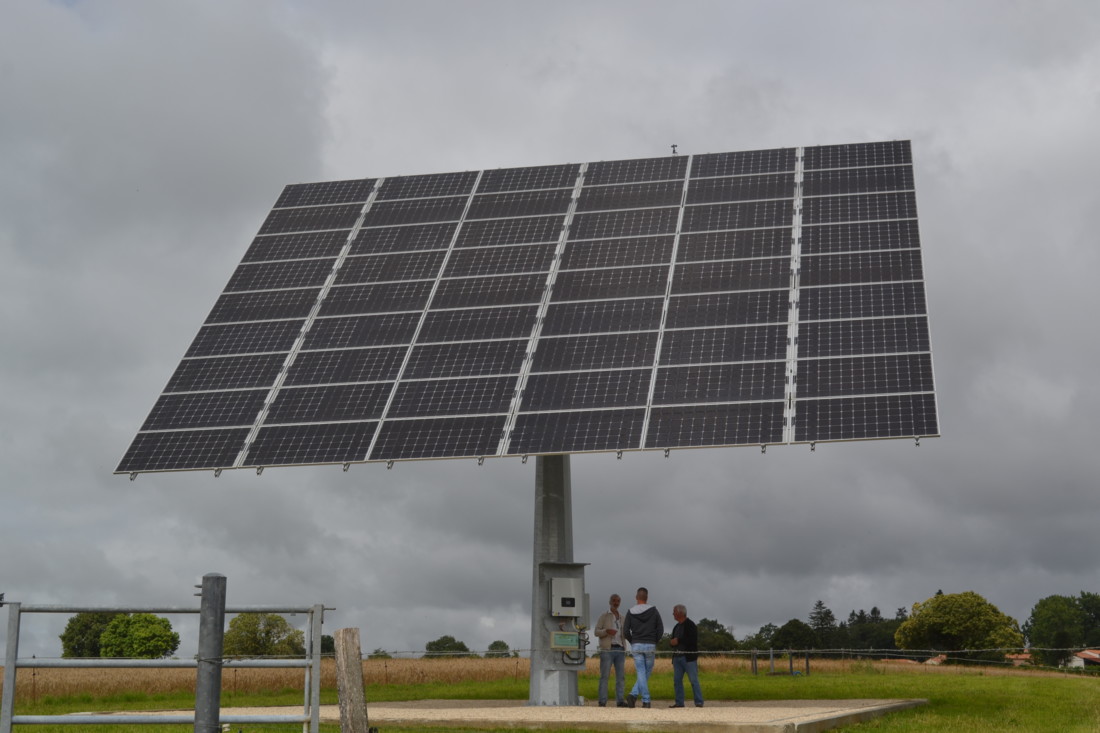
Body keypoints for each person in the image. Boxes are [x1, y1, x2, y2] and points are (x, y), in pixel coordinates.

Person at [623, 587, 663, 708]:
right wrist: (654, 640)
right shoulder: (654, 610)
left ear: (636, 597)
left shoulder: (630, 611)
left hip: (637, 644)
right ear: (647, 597)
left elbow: (625, 631)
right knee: (646, 672)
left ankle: (633, 695)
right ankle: (645, 700)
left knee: (641, 671)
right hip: (650, 644)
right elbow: (660, 629)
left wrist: (633, 641)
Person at [593, 593, 627, 707]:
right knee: (604, 676)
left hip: (620, 649)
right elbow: (596, 632)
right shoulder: (604, 616)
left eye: (618, 601)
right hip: (607, 649)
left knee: (621, 677)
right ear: (610, 602)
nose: (616, 603)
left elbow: (625, 633)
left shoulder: (623, 618)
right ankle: (602, 701)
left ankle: (620, 701)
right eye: (614, 600)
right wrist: (606, 631)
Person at [668, 603, 704, 708]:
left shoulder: (690, 625)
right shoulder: (676, 627)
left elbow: (692, 640)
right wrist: (671, 643)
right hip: (677, 658)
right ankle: (679, 703)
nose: (672, 614)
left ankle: (699, 702)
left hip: (688, 658)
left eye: (674, 611)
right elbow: (672, 641)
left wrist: (678, 640)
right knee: (677, 681)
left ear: (680, 612)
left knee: (693, 680)